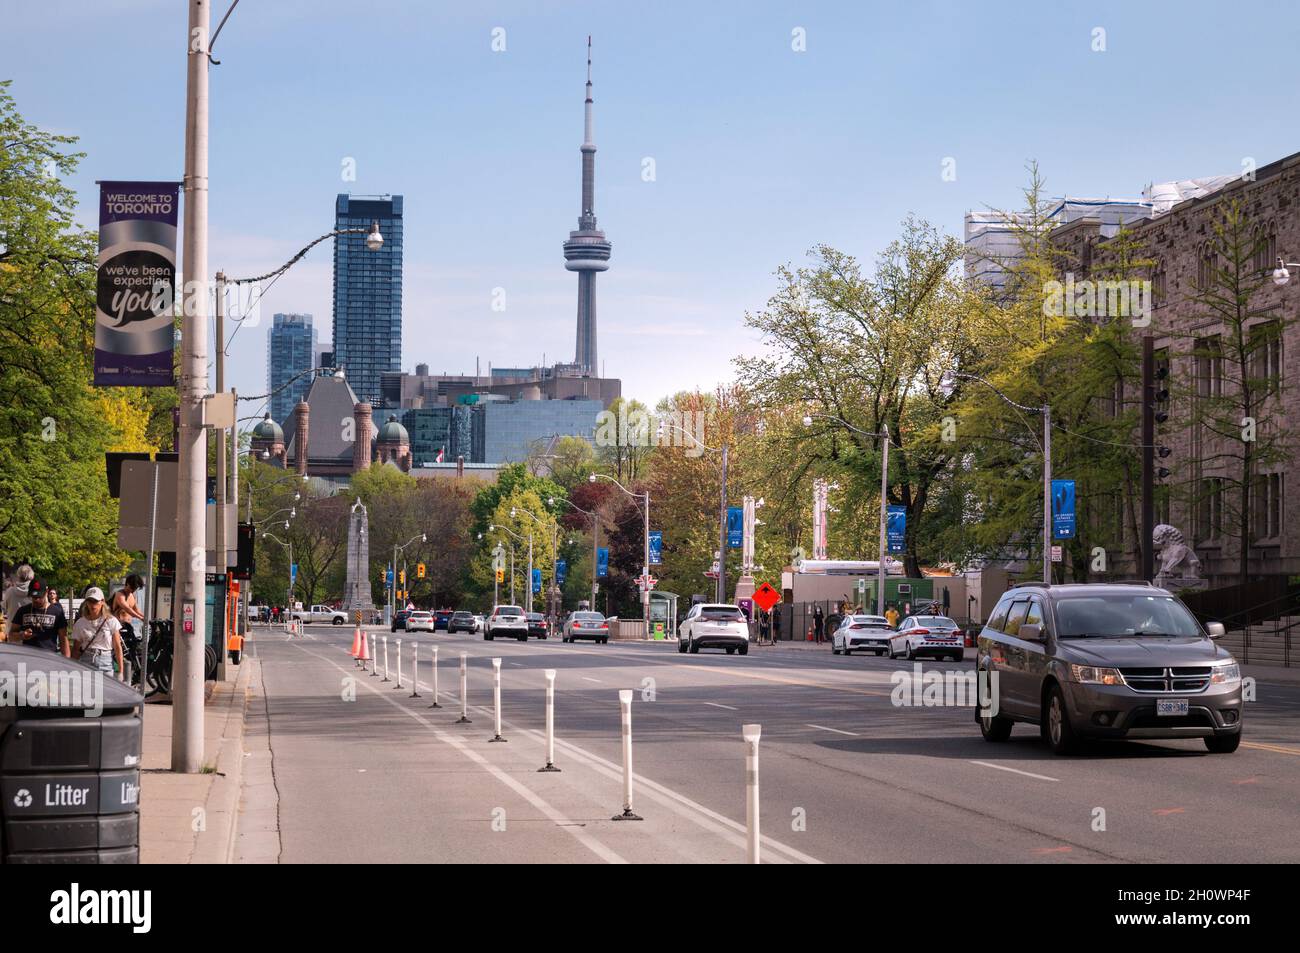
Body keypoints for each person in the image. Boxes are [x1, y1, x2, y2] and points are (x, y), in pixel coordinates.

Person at [71, 586, 124, 678]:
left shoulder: (111, 621)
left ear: (102, 602)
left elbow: (117, 647)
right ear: (86, 603)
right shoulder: (80, 623)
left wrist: (121, 671)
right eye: (90, 601)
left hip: (105, 662)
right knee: (88, 692)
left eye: (96, 601)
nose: (93, 605)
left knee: (105, 692)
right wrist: (71, 669)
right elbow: (76, 649)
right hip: (86, 661)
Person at [11, 579, 69, 656]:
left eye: (39, 596)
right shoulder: (23, 611)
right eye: (34, 597)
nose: (36, 600)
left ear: (46, 592)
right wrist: (22, 635)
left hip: (50, 660)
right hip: (27, 658)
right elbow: (11, 635)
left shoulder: (57, 612)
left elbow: (63, 640)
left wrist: (67, 663)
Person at [3, 562, 35, 642]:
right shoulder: (35, 593)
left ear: (18, 575)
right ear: (32, 576)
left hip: (13, 635)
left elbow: (4, 608)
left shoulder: (9, 592)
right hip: (31, 634)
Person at [111, 574, 146, 645]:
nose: (133, 590)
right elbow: (127, 608)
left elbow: (136, 610)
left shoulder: (132, 596)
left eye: (135, 588)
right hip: (118, 627)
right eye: (132, 587)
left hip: (128, 626)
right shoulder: (120, 594)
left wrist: (145, 617)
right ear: (127, 584)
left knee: (134, 646)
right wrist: (140, 617)